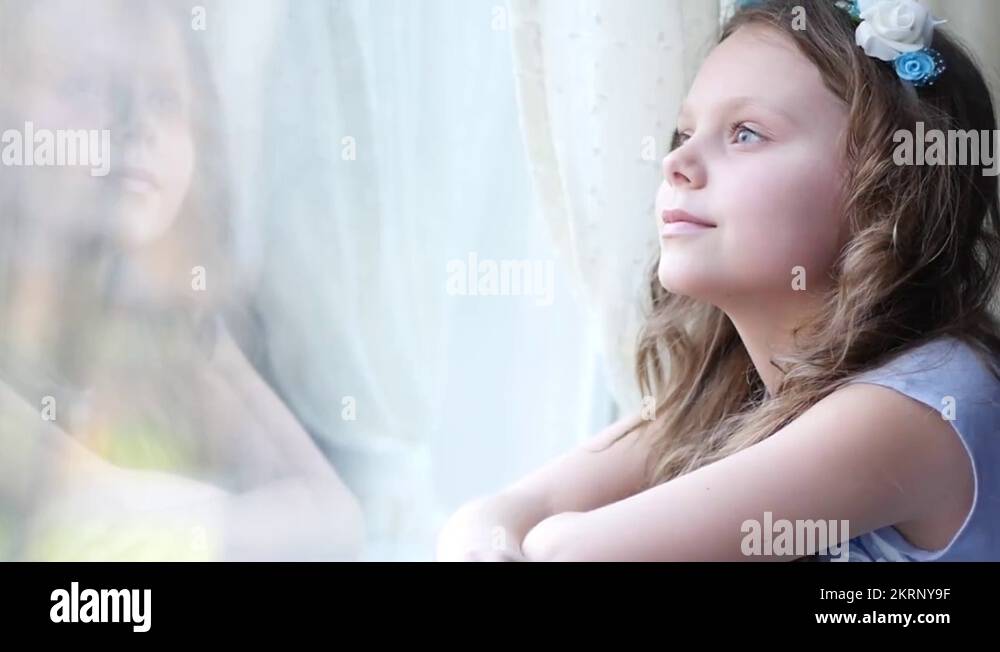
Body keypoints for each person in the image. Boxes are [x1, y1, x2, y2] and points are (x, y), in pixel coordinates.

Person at [436, 0, 1000, 562]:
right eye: (683, 131)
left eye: (746, 133)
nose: (676, 161)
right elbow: (493, 518)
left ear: (887, 190)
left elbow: (568, 551)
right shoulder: (733, 382)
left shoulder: (923, 402)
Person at [0, 0, 363, 561]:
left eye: (165, 99)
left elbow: (335, 519)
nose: (134, 125)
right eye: (84, 87)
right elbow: (83, 514)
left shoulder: (182, 331)